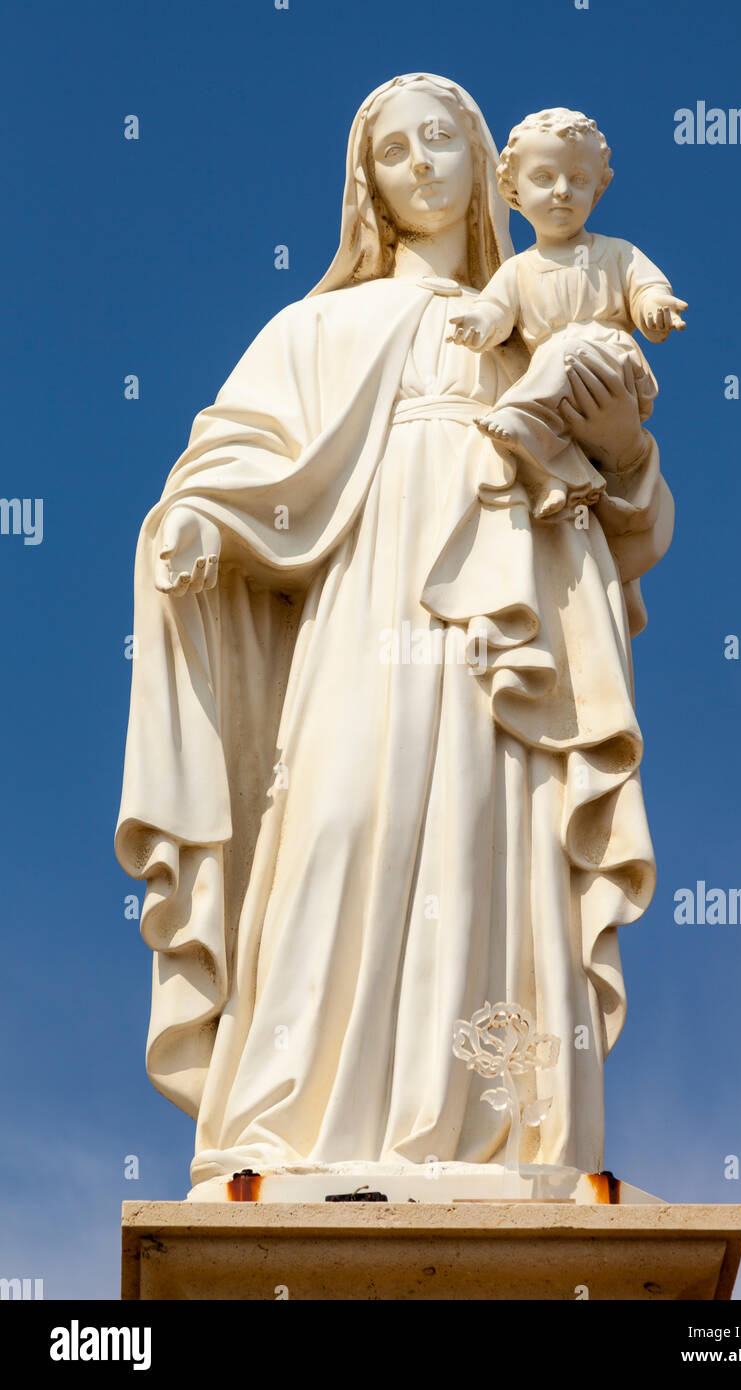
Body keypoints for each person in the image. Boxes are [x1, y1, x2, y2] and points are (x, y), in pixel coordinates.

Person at [115, 74, 673, 1190]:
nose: (418, 163)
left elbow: (629, 520)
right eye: (391, 150)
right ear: (365, 185)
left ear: (484, 164)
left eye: (440, 140)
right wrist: (196, 521)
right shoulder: (316, 326)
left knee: (493, 835)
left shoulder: (539, 317)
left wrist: (623, 451)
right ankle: (288, 1125)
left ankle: (508, 1132)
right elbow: (232, 456)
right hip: (363, 606)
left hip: (514, 614)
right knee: (334, 819)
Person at [449, 107, 687, 515]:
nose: (562, 191)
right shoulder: (518, 269)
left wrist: (657, 308)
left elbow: (646, 288)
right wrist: (478, 323)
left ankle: (518, 416)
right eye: (544, 178)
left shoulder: (616, 252)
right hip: (553, 375)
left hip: (607, 360)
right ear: (513, 191)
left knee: (560, 357)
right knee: (554, 379)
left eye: (577, 180)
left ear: (597, 188)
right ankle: (559, 483)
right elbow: (495, 309)